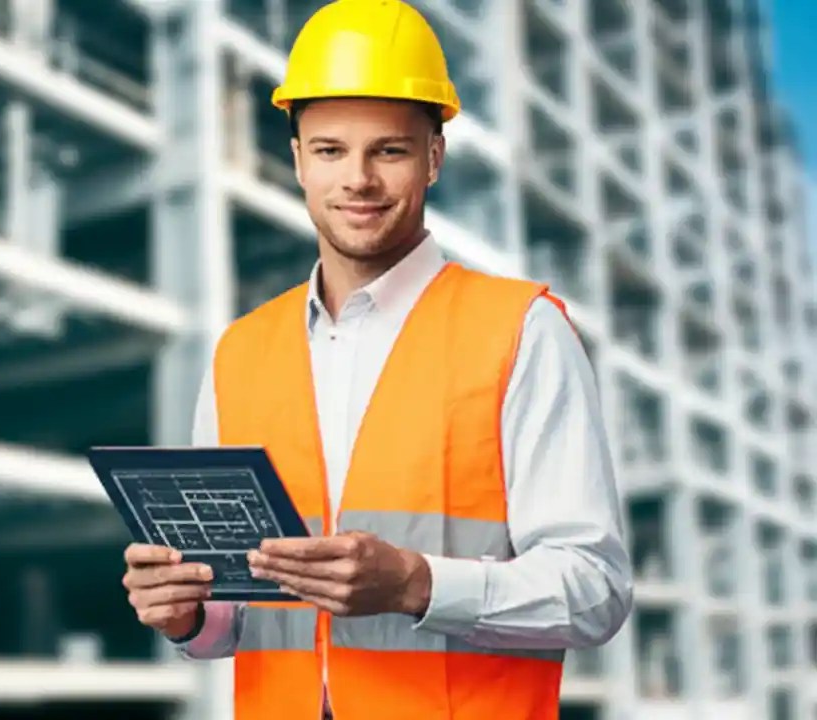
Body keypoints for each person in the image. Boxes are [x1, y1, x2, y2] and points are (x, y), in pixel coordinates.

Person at [120, 1, 633, 718]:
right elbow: (244, 614)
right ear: (297, 159)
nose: (357, 178)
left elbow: (595, 591)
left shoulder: (520, 331)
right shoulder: (242, 353)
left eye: (388, 150)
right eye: (330, 150)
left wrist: (416, 583)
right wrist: (185, 615)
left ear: (433, 156)